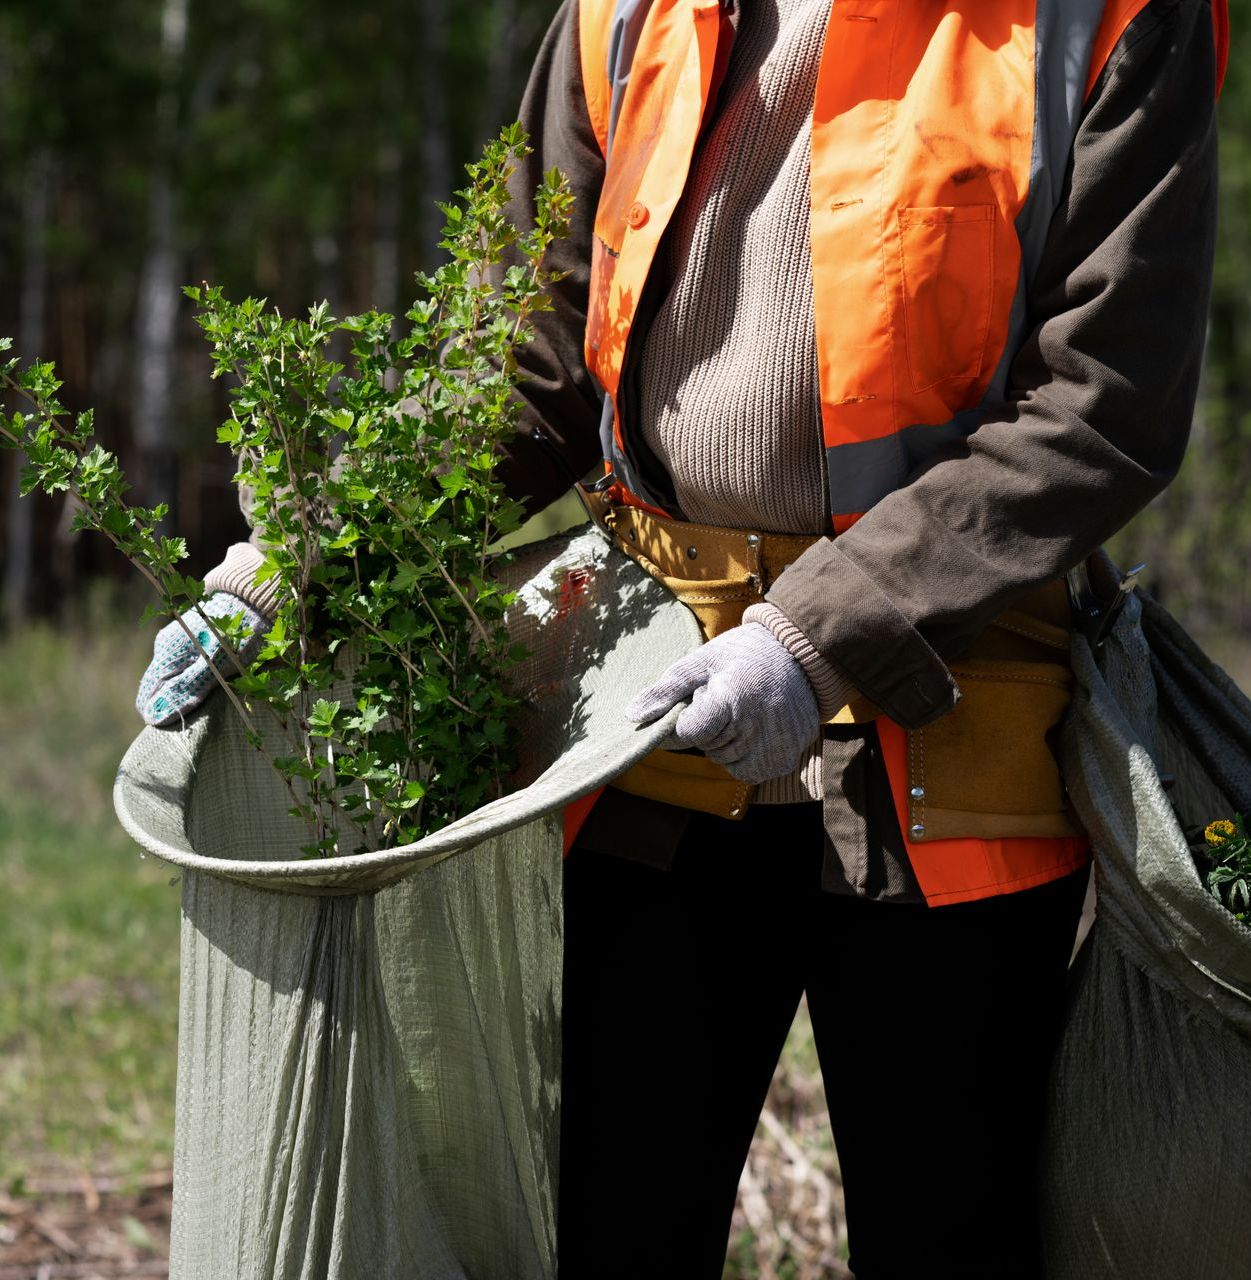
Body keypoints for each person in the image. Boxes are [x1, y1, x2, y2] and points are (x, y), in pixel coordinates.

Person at [139, 0, 1225, 1274]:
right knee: (614, 1220)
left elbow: (1102, 408)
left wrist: (813, 634)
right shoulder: (624, 13)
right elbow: (528, 358)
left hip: (952, 741)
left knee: (953, 1226)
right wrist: (303, 558)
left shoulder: (1098, 20)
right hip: (645, 730)